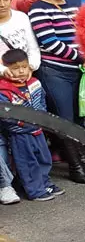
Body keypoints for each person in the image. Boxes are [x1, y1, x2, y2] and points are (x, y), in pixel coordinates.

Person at [28, 0, 85, 184]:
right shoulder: (39, 9)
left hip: (77, 71)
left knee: (79, 116)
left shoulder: (72, 6)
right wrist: (82, 58)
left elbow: (81, 35)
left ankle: (83, 158)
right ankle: (75, 166)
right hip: (55, 71)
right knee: (65, 119)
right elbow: (49, 42)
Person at [0, 49, 60, 201]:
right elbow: (6, 115)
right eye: (15, 68)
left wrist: (42, 120)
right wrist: (22, 124)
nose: (21, 71)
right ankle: (35, 190)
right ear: (6, 69)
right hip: (19, 133)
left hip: (38, 129)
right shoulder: (3, 90)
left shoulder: (35, 83)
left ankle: (45, 183)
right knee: (27, 162)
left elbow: (42, 103)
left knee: (44, 158)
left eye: (24, 67)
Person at [0, 0, 40, 76]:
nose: (2, 4)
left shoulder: (21, 18)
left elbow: (33, 48)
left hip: (27, 74)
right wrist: (4, 71)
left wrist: (30, 67)